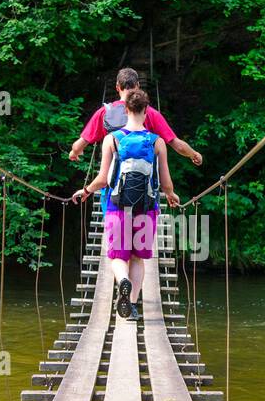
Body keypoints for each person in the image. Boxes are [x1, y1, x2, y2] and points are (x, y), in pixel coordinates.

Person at [71, 88, 179, 320]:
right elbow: (166, 182)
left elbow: (103, 179)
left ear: (126, 109)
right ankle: (130, 307)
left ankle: (123, 281)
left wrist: (86, 190)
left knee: (118, 257)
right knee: (138, 258)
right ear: (146, 111)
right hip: (146, 208)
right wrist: (171, 195)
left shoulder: (112, 139)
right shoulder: (157, 142)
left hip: (117, 206)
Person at [69, 67, 203, 167]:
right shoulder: (149, 113)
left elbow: (79, 145)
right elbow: (177, 145)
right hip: (143, 182)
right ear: (138, 86)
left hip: (112, 181)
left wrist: (74, 153)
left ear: (117, 87)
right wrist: (194, 154)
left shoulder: (104, 112)